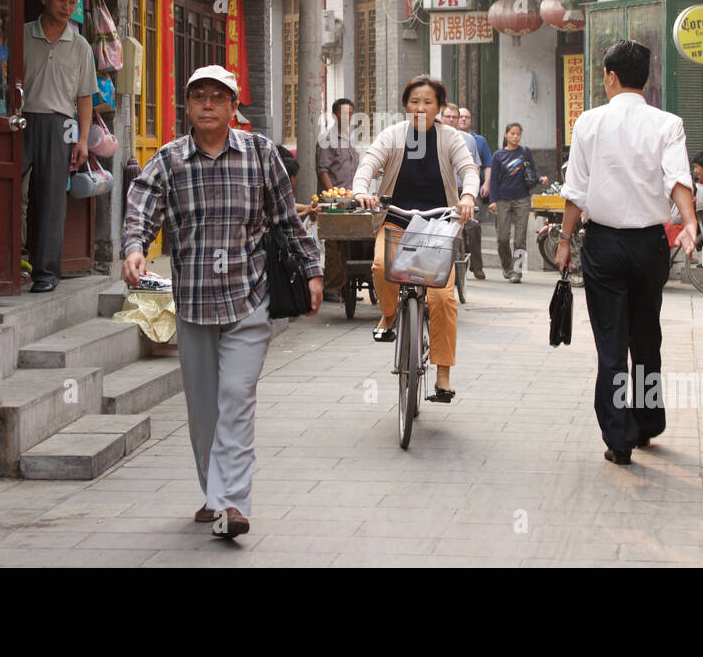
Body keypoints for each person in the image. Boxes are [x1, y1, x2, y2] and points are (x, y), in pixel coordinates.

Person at [121, 65, 323, 539]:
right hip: (192, 299)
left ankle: (232, 503)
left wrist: (313, 270)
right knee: (203, 408)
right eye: (198, 97)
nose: (208, 104)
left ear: (234, 107)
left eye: (218, 97)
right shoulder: (170, 160)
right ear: (187, 107)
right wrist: (134, 248)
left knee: (236, 397)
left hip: (249, 294)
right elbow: (141, 206)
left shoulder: (259, 154)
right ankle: (213, 492)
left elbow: (287, 221)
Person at [556, 40, 697, 466]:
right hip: (649, 245)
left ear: (610, 76)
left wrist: (563, 241)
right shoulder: (668, 123)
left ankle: (619, 437)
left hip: (603, 246)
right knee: (646, 337)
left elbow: (576, 191)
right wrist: (689, 223)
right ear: (648, 77)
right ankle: (648, 422)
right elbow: (677, 179)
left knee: (612, 345)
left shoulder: (588, 122)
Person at [353, 75, 478, 402]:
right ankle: (390, 314)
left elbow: (468, 170)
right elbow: (369, 163)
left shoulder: (451, 138)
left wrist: (467, 196)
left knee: (442, 298)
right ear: (405, 104)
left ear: (438, 106)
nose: (420, 107)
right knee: (381, 266)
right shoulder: (392, 135)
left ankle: (443, 375)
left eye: (428, 102)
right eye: (414, 101)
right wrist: (361, 191)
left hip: (439, 227)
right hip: (396, 221)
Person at [22, 0, 98, 293]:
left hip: (60, 126)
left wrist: (83, 139)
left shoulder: (80, 47)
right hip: (21, 121)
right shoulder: (22, 35)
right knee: (14, 195)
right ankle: (10, 262)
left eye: (72, 2)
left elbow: (84, 98)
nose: (67, 7)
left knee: (53, 200)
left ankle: (46, 274)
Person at [487, 123, 548, 283]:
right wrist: (492, 200)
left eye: (518, 134)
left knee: (520, 238)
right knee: (502, 238)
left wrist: (540, 178)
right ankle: (507, 267)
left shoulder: (525, 152)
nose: (515, 137)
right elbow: (493, 180)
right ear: (506, 135)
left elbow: (532, 171)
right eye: (512, 133)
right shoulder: (498, 155)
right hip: (502, 200)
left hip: (522, 199)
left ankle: (518, 271)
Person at [316, 98, 361, 302]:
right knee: (334, 242)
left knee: (349, 242)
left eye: (351, 113)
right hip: (334, 201)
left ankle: (345, 286)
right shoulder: (327, 138)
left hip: (350, 199)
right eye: (344, 113)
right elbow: (323, 170)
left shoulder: (350, 138)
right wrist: (334, 195)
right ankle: (331, 288)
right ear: (335, 114)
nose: (348, 117)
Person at [458, 106, 492, 280]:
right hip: (452, 190)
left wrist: (485, 183)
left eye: (467, 117)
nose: (463, 119)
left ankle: (477, 265)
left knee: (474, 226)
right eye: (460, 116)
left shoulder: (478, 141)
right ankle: (456, 266)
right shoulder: (449, 138)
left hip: (471, 190)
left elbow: (484, 164)